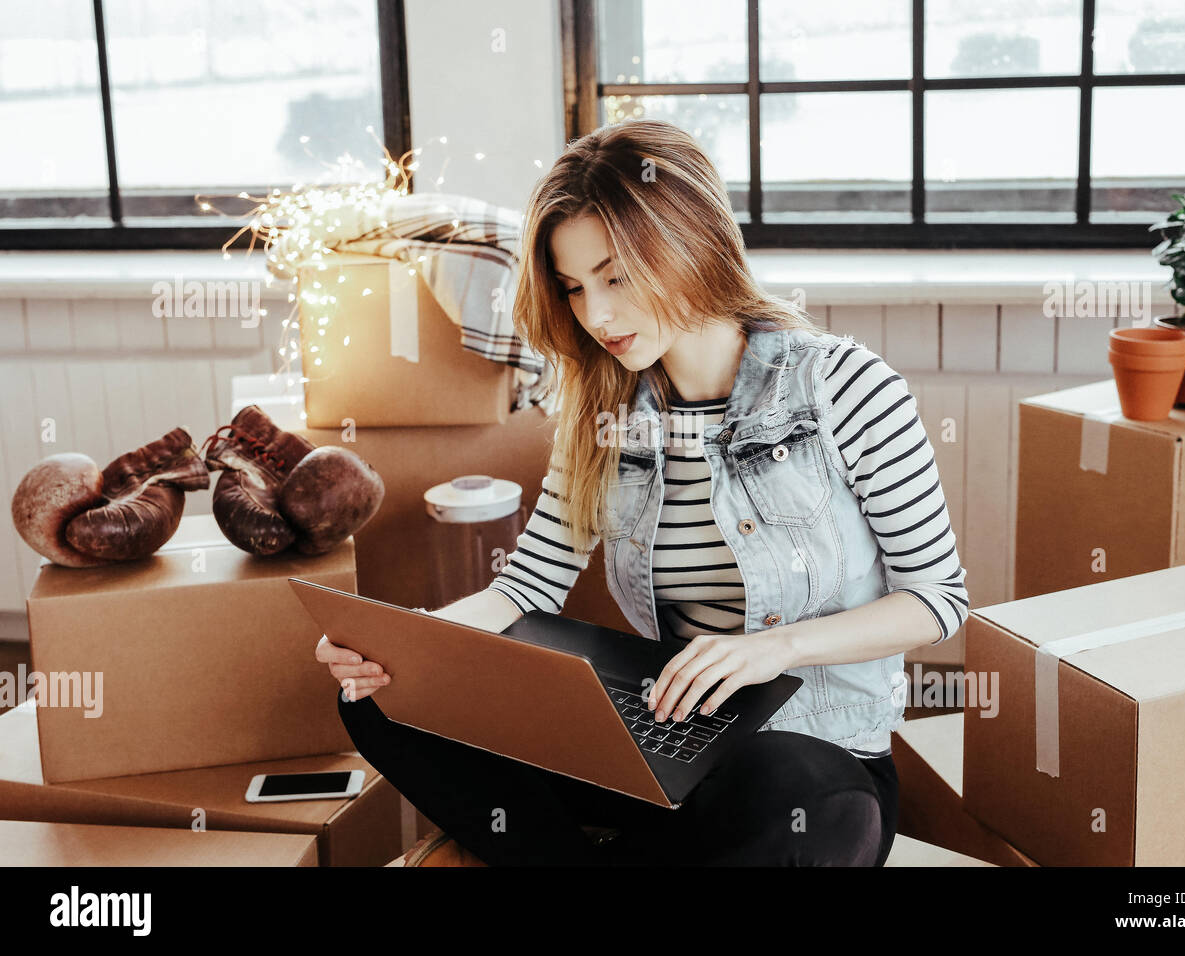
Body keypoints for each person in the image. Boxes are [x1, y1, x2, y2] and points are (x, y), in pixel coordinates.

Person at [316, 118, 970, 866]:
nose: (595, 316)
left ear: (687, 241)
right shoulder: (601, 411)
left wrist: (772, 649)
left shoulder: (842, 386)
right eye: (573, 288)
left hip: (808, 759)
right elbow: (527, 587)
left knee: (798, 797)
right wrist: (401, 646)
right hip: (658, 747)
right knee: (378, 702)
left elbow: (938, 599)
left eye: (615, 277)